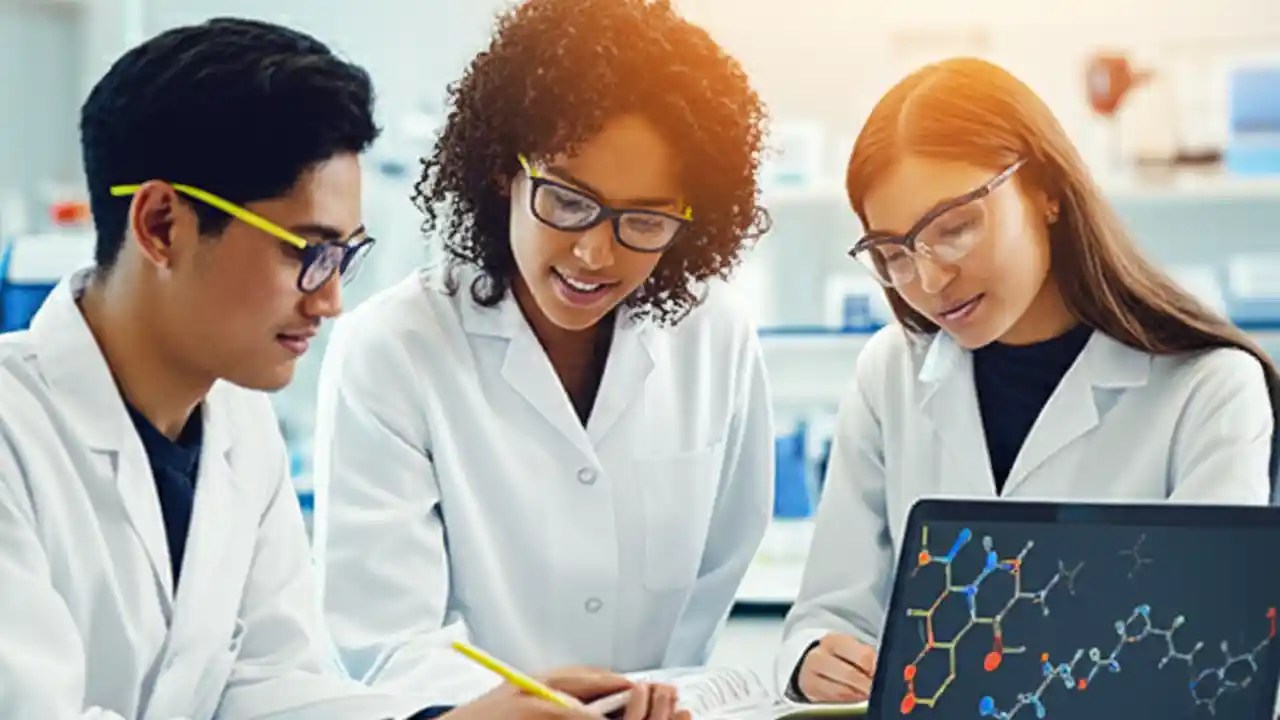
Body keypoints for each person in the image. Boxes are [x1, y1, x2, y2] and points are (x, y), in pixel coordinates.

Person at [0, 16, 677, 720]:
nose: (330, 300)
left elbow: (265, 686)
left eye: (345, 255)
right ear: (163, 225)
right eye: (307, 251)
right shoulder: (13, 437)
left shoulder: (236, 423)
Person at [311, 0, 775, 707]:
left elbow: (719, 573)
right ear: (505, 171)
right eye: (566, 201)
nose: (595, 252)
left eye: (643, 220)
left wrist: (655, 697)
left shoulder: (717, 340)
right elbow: (383, 638)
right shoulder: (394, 348)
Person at [776, 57, 1280, 705]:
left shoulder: (1209, 390)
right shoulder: (890, 373)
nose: (929, 283)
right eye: (894, 255)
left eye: (953, 229)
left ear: (1046, 191)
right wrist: (817, 660)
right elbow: (831, 610)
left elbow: (1210, 666)